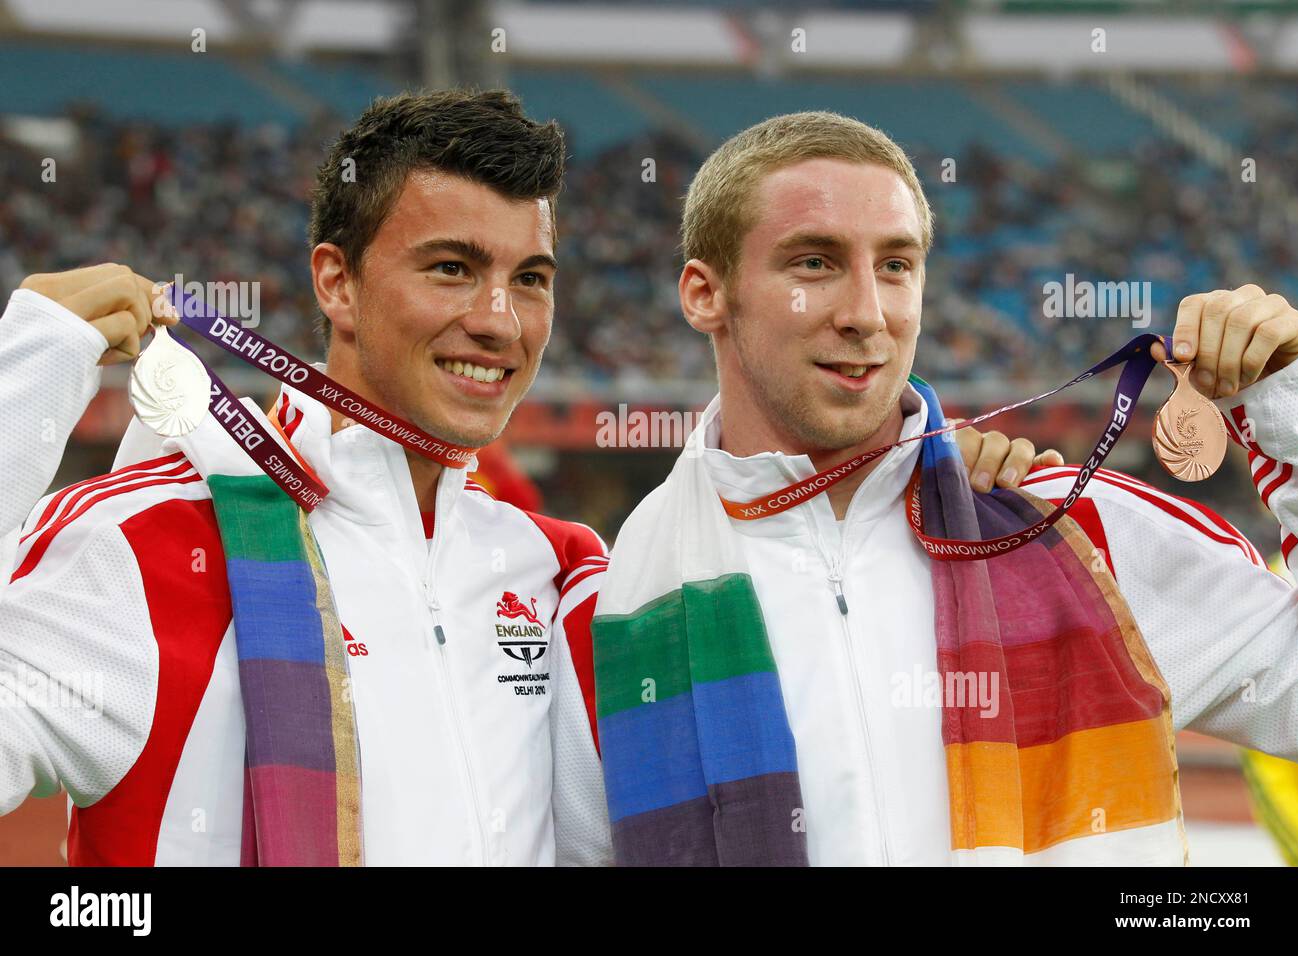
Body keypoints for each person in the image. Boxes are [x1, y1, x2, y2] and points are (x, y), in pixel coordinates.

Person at [0, 90, 1046, 866]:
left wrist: (937, 483)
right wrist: (23, 385)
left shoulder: (560, 577)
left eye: (530, 278)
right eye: (451, 267)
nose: (499, 320)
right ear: (337, 281)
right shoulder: (144, 548)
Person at [591, 110, 1298, 866]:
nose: (867, 314)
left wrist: (1288, 404)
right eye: (814, 263)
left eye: (895, 266)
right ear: (705, 293)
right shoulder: (611, 601)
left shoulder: (1073, 533)